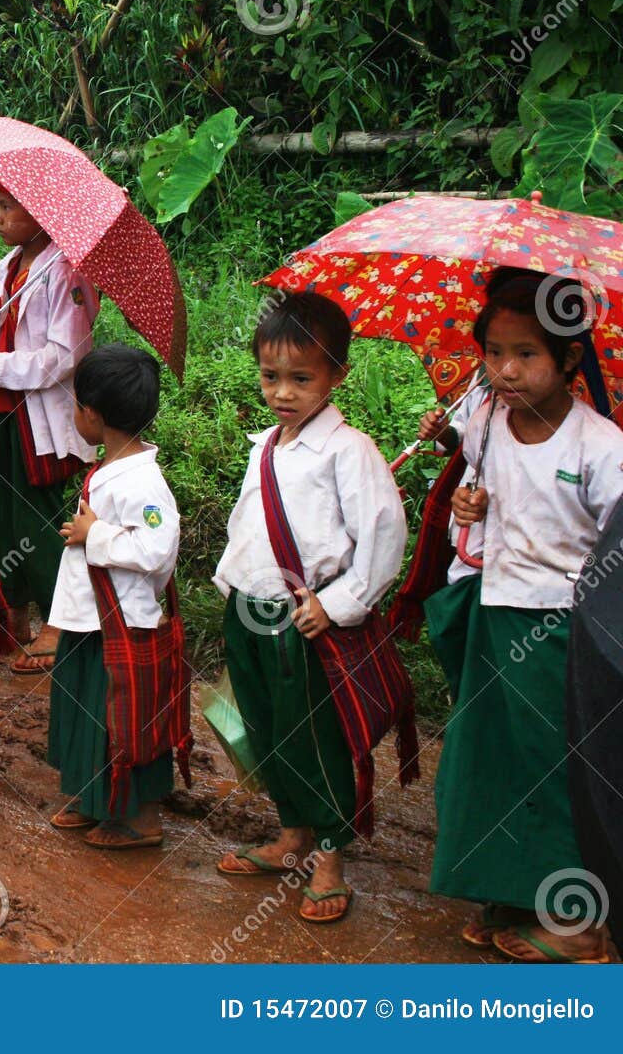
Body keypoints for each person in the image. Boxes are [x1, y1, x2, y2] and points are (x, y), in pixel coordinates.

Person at [426, 270, 623, 963]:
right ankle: (512, 891)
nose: (506, 370)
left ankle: (581, 923)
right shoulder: (485, 423)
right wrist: (468, 508)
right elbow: (479, 489)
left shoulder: (602, 448)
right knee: (494, 762)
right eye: (494, 351)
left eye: (527, 354)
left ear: (571, 359)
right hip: (494, 612)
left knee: (559, 767)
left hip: (564, 633)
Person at [212, 291, 406, 924]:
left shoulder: (350, 452)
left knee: (317, 739)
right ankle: (291, 832)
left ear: (336, 376)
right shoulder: (265, 445)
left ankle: (328, 857)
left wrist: (340, 602)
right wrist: (230, 586)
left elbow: (383, 532)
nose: (283, 392)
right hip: (252, 610)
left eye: (301, 378)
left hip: (306, 620)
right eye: (271, 377)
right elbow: (250, 521)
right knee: (267, 730)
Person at [0, 180, 96, 675]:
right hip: (4, 409)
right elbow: (3, 328)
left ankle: (60, 623)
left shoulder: (67, 270)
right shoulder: (10, 267)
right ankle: (14, 616)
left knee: (38, 519)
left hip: (40, 416)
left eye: (8, 208)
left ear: (43, 213)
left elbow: (64, 356)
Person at [46, 345, 182, 849]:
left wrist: (95, 535)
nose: (73, 412)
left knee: (123, 717)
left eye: (75, 404)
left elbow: (157, 548)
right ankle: (94, 798)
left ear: (94, 415)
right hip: (91, 620)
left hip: (121, 622)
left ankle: (142, 818)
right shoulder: (110, 467)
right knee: (88, 710)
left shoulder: (143, 481)